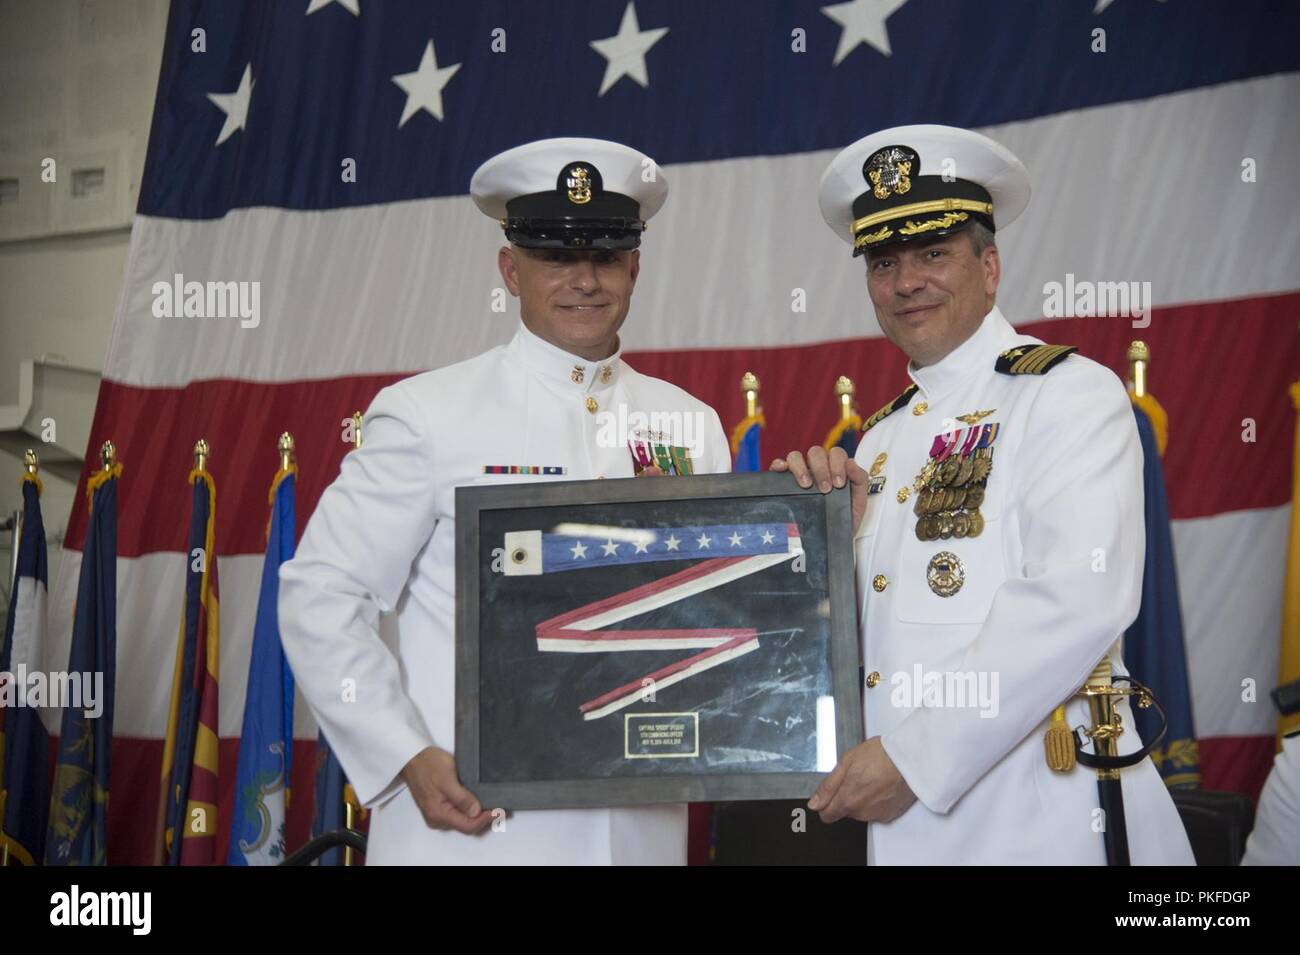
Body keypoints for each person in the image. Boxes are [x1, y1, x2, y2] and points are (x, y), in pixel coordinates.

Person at [279, 138, 730, 864]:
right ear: (509, 269)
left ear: (636, 266)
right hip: (475, 834)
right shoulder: (429, 413)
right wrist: (405, 756)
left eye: (607, 254)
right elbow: (319, 593)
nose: (585, 278)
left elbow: (716, 615)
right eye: (555, 254)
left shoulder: (691, 424)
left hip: (638, 829)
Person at [774, 124, 1195, 864]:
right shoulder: (873, 443)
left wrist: (914, 758)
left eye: (933, 253)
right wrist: (813, 550)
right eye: (884, 261)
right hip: (902, 830)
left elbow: (1076, 600)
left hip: (1044, 818)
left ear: (990, 265)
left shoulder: (1070, 394)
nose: (907, 281)